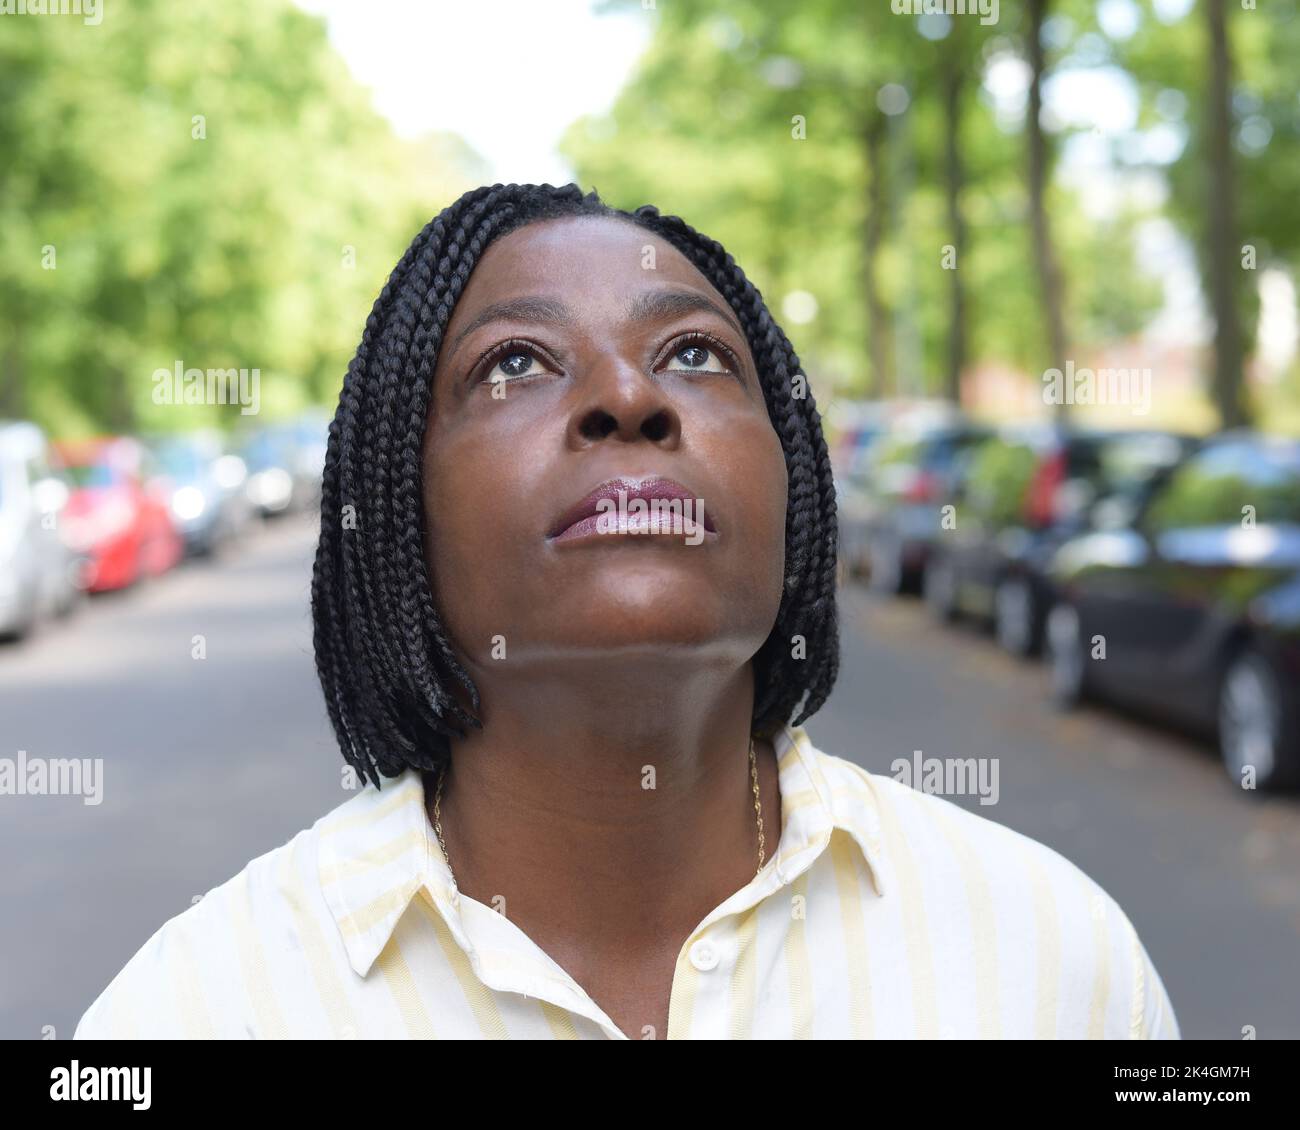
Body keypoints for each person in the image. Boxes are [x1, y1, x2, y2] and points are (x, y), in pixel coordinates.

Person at [75, 183, 1178, 1039]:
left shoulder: (1054, 956)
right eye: (515, 362)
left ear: (790, 470)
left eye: (693, 354)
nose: (630, 396)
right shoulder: (195, 1010)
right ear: (398, 503)